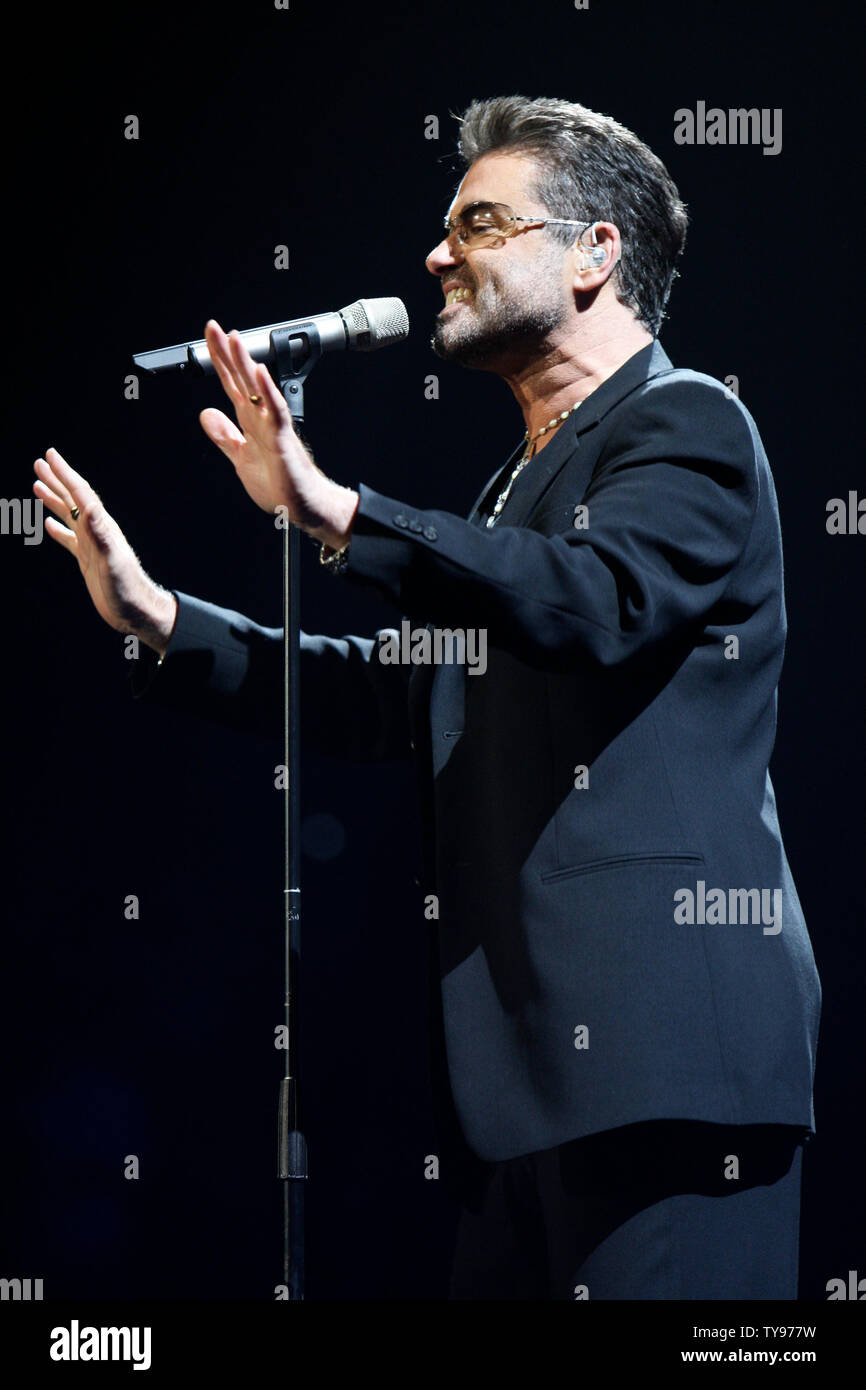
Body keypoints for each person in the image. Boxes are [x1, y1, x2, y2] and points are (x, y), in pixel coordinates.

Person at [33, 96, 821, 1300]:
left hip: (665, 1072)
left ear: (592, 252)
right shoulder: (516, 481)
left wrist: (340, 512)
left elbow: (589, 598)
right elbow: (403, 695)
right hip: (521, 1090)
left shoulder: (687, 423)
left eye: (479, 224)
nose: (436, 254)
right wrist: (162, 621)